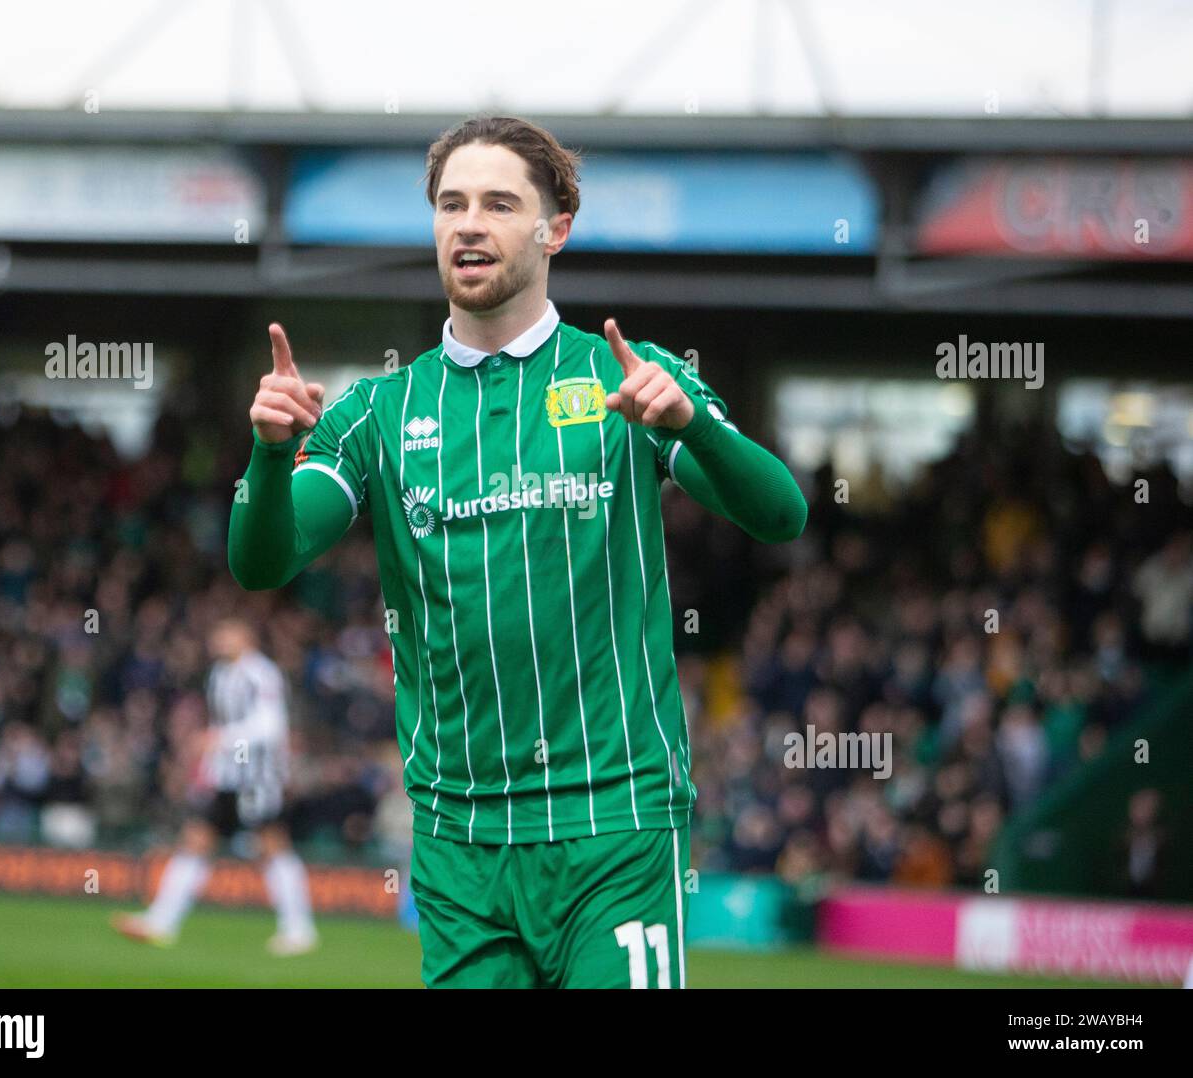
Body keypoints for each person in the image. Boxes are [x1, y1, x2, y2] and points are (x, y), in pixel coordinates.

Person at [228, 115, 807, 987]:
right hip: (459, 844)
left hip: (613, 824)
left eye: (500, 204)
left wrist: (690, 428)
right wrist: (271, 459)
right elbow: (262, 561)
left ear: (555, 229)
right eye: (451, 204)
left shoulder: (629, 378)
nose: (470, 223)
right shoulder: (376, 413)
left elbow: (782, 514)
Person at [111, 618, 318, 954]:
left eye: (228, 633)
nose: (219, 639)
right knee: (196, 839)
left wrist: (222, 740)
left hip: (257, 778)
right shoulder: (220, 675)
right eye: (218, 632)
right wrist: (209, 766)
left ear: (247, 637)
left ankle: (299, 929)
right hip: (227, 778)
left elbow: (271, 726)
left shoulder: (260, 674)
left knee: (272, 845)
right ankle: (161, 922)